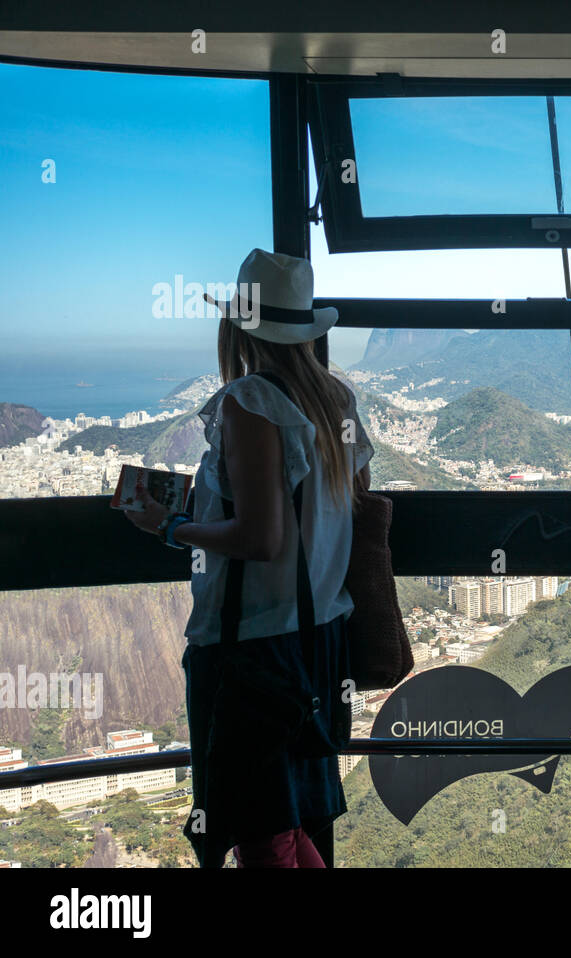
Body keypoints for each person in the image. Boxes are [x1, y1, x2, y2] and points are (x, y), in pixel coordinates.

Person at [125, 249, 373, 867]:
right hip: (321, 641)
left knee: (260, 836)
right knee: (300, 826)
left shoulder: (249, 402)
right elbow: (351, 501)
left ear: (238, 326)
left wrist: (175, 526)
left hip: (253, 649)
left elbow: (262, 539)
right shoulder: (336, 401)